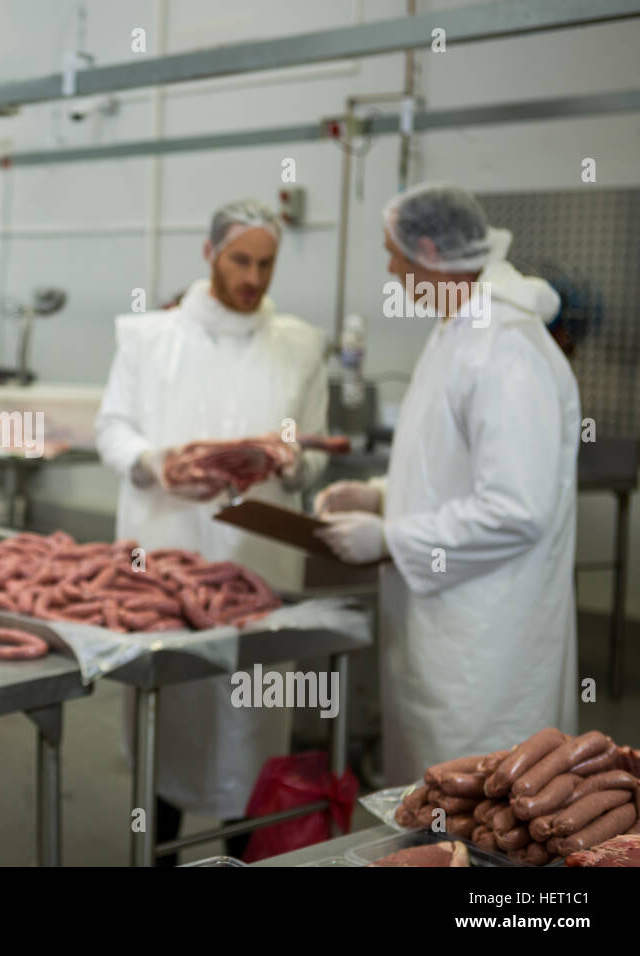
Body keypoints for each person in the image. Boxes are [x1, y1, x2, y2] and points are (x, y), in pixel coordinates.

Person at [314, 182, 580, 785]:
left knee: (487, 817)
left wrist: (388, 538)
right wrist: (380, 495)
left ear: (429, 251)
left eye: (393, 254)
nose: (389, 268)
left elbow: (516, 509)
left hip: (486, 647)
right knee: (436, 805)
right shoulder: (459, 333)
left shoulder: (504, 350)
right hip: (443, 629)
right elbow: (448, 466)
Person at [94, 199, 330, 864]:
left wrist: (293, 460)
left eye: (265, 263)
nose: (253, 277)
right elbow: (113, 429)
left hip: (259, 565)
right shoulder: (149, 339)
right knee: (170, 716)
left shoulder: (300, 347)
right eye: (240, 260)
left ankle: (243, 852)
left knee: (250, 720)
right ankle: (159, 855)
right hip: (166, 558)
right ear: (209, 254)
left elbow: (312, 445)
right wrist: (154, 462)